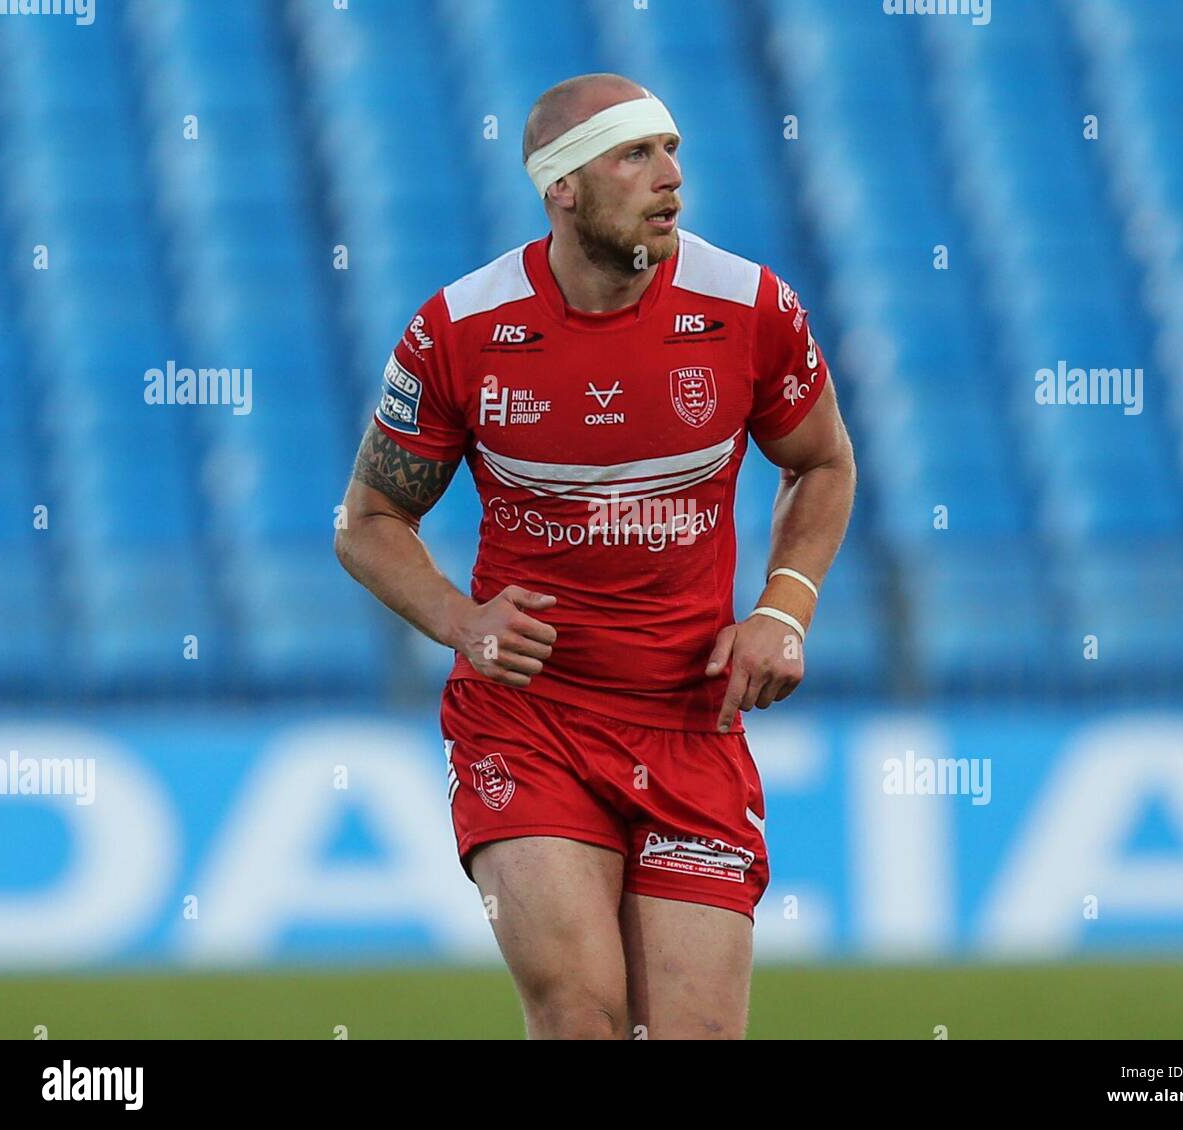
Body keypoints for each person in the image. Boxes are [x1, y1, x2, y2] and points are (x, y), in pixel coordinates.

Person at [335, 72, 856, 1039]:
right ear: (561, 186)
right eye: (636, 155)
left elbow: (822, 461)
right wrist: (462, 622)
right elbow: (367, 523)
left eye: (672, 151)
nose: (671, 179)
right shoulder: (461, 330)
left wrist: (784, 610)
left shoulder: (750, 307)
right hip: (529, 721)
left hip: (688, 718)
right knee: (581, 1017)